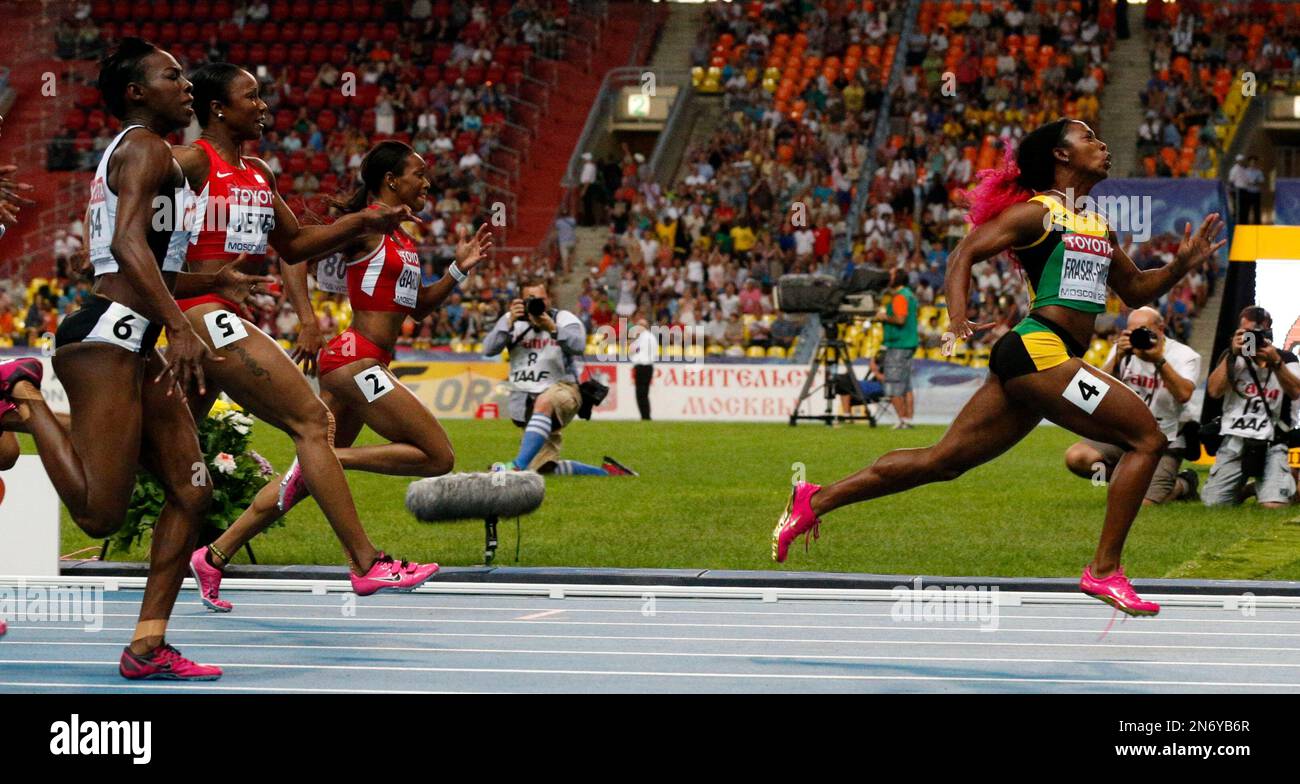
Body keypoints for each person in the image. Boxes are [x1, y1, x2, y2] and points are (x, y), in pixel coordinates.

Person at [771, 118, 1226, 617]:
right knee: (1147, 438)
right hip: (1038, 350)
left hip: (1042, 359)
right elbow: (965, 252)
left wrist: (1182, 264)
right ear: (1061, 156)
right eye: (1088, 138)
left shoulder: (1095, 223)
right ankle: (1104, 572)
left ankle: (814, 499)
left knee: (943, 462)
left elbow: (1137, 289)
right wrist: (958, 316)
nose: (1102, 145)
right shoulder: (1037, 214)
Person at [0, 39, 268, 679]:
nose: (185, 86)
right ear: (135, 94)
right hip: (107, 340)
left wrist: (207, 283)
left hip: (134, 338)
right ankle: (26, 397)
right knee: (99, 512)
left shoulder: (153, 157)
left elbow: (133, 257)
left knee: (192, 489)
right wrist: (180, 327)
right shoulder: (145, 146)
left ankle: (147, 645)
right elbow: (125, 247)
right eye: (171, 76)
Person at [173, 63, 442, 611]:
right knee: (313, 427)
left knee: (151, 466)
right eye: (252, 96)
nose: (265, 105)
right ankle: (366, 564)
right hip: (196, 312)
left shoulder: (259, 174)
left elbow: (294, 246)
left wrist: (368, 220)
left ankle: (198, 571)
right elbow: (126, 232)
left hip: (223, 311)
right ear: (219, 108)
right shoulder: (189, 162)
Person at [187, 140, 494, 612]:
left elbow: (421, 306)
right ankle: (337, 465)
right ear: (392, 181)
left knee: (308, 475)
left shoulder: (402, 239)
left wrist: (458, 267)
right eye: (419, 173)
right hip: (353, 362)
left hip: (367, 362)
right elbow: (294, 257)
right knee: (437, 456)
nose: (427, 182)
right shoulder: (367, 227)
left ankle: (214, 555)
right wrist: (308, 322)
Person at [485, 277, 636, 476]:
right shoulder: (511, 321)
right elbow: (488, 348)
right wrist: (507, 322)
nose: (537, 304)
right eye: (530, 299)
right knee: (544, 469)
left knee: (545, 401)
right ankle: (609, 473)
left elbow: (578, 345)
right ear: (520, 302)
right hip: (525, 402)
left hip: (565, 390)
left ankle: (515, 466)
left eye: (541, 298)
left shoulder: (563, 319)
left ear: (549, 299)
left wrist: (554, 329)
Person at [1064, 306, 1201, 503]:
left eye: (1143, 331)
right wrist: (1117, 358)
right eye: (1132, 331)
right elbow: (1094, 390)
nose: (1137, 336)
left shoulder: (1184, 355)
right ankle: (1129, 481)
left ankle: (1184, 484)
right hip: (1126, 433)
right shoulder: (1123, 351)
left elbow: (1184, 394)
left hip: (1165, 438)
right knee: (1077, 458)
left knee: (1145, 504)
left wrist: (1159, 361)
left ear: (1161, 328)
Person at [1201, 306, 1300, 507]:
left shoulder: (1286, 359)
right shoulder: (1232, 358)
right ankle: (1253, 487)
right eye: (1245, 333)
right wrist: (1231, 354)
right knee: (1214, 504)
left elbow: (1296, 391)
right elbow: (1214, 391)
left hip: (1273, 441)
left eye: (1256, 333)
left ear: (1268, 332)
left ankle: (1268, 486)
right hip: (1235, 440)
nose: (1251, 338)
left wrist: (1276, 362)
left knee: (1274, 506)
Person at [876, 267, 919, 428]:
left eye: (891, 275)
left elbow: (900, 319)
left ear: (897, 279)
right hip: (908, 343)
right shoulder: (909, 295)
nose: (888, 278)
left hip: (898, 343)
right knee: (906, 384)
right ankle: (908, 419)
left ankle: (901, 420)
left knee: (893, 383)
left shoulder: (900, 297)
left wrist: (883, 316)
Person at [630, 312, 656, 420]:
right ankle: (646, 416)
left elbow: (634, 351)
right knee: (644, 393)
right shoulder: (651, 337)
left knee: (640, 393)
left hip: (642, 366)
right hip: (649, 366)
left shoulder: (642, 338)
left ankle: (645, 416)